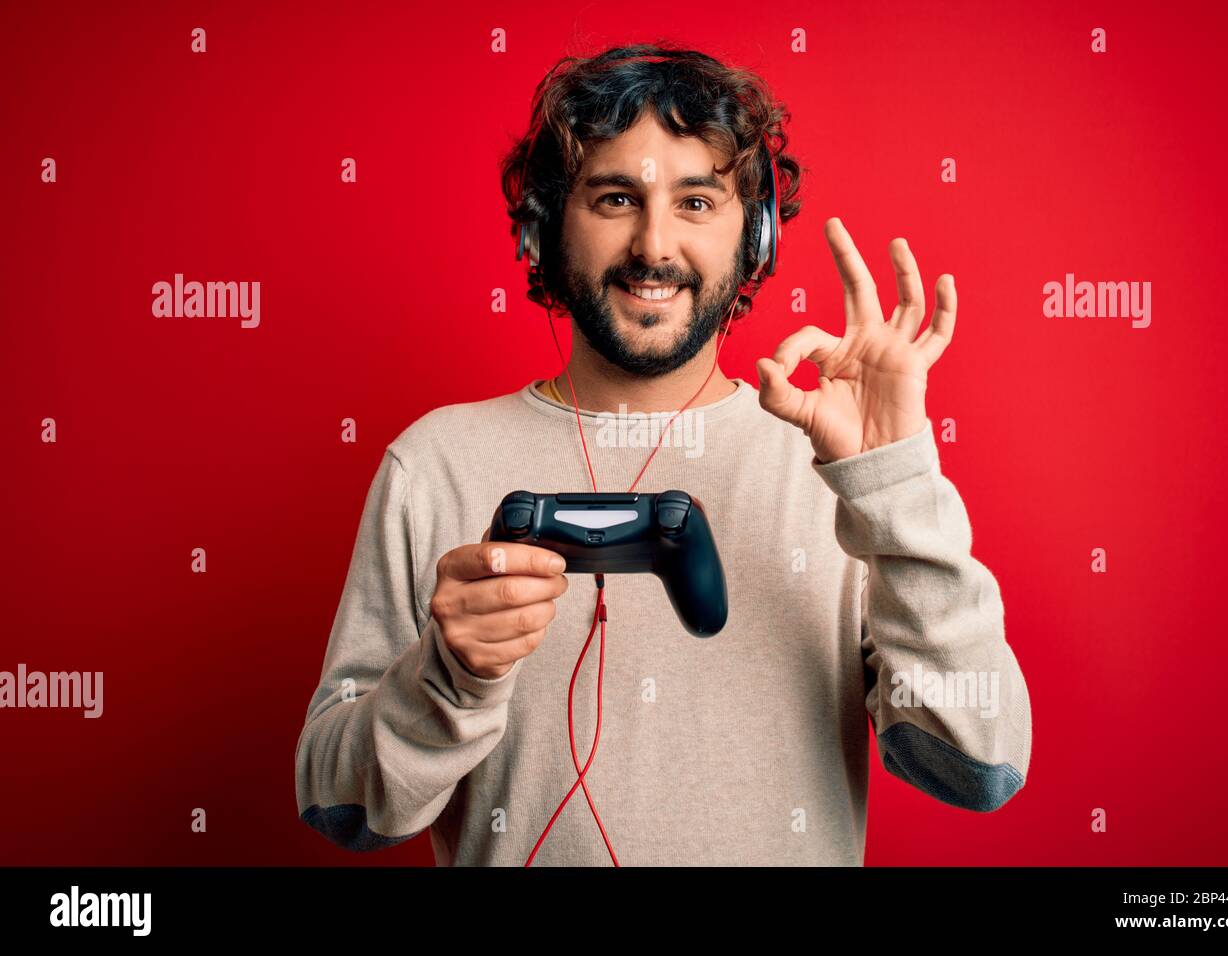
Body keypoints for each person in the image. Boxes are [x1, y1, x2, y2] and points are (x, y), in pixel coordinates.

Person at [294, 44, 1031, 866]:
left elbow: (980, 765)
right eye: (616, 198)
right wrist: (446, 677)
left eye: (696, 201)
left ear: (754, 238)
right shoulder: (432, 464)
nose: (654, 246)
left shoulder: (841, 471)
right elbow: (342, 808)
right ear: (543, 228)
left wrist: (891, 478)